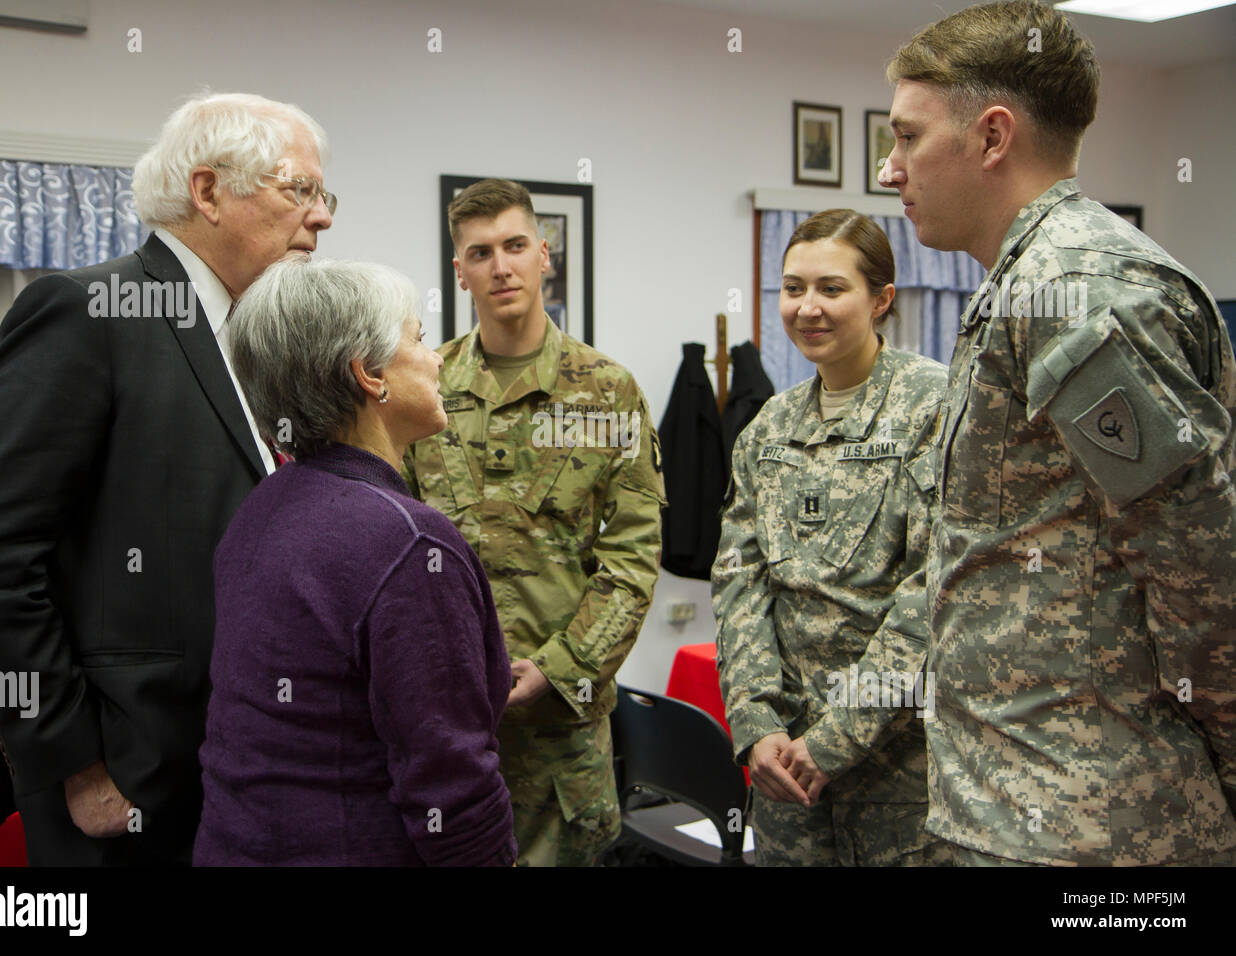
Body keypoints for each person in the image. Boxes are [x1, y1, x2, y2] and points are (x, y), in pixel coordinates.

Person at [0, 92, 334, 865]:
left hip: (231, 778)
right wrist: (74, 764)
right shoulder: (88, 312)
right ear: (209, 190)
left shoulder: (253, 338)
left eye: (325, 196)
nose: (321, 217)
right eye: (300, 190)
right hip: (122, 788)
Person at [880, 0, 1236, 865]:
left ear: (992, 136)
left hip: (1098, 825)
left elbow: (1203, 571)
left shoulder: (1077, 287)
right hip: (1011, 802)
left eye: (906, 137)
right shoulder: (1024, 280)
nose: (888, 171)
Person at [194, 258, 516, 866]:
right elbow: (453, 789)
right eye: (418, 338)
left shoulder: (261, 509)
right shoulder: (409, 545)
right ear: (370, 374)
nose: (438, 356)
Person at [402, 178, 665, 866]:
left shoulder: (608, 390)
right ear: (459, 271)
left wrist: (557, 668)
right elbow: (388, 544)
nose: (501, 266)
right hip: (444, 721)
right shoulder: (423, 386)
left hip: (561, 737)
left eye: (516, 245)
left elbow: (632, 562)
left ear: (545, 254)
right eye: (481, 252)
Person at [713, 210, 949, 866]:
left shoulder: (935, 407)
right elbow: (741, 584)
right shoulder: (769, 428)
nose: (807, 307)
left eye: (831, 288)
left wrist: (837, 739)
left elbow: (934, 594)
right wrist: (758, 728)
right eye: (792, 288)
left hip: (904, 777)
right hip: (785, 773)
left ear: (881, 300)